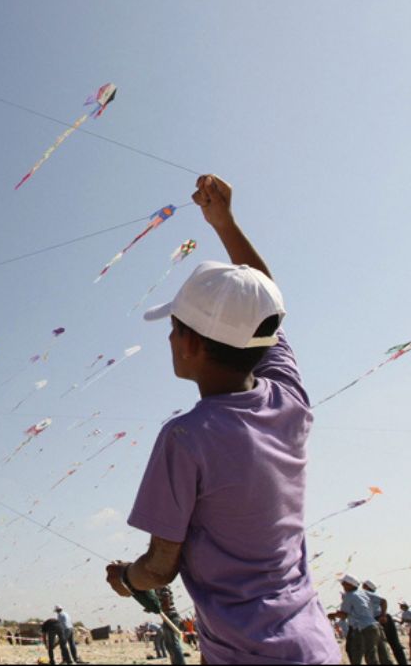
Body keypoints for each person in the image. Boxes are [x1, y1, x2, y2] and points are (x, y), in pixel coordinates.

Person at [104, 174, 339, 664]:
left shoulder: (187, 437)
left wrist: (126, 579)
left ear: (189, 343)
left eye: (173, 329)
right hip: (314, 646)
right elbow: (262, 308)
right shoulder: (287, 397)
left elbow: (160, 566)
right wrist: (224, 223)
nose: (168, 340)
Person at [330, 575, 380, 665]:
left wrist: (332, 615)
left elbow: (343, 615)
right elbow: (383, 601)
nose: (342, 585)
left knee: (358, 652)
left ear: (350, 584)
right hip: (373, 626)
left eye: (344, 583)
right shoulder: (363, 593)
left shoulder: (349, 596)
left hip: (363, 628)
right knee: (370, 654)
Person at [363, 580, 403, 665]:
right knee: (394, 644)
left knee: (381, 647)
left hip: (379, 618)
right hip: (382, 617)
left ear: (367, 587)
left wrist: (383, 615)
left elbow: (383, 601)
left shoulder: (366, 594)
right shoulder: (374, 594)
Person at [157, 586, 185, 665]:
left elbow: (166, 603)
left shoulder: (162, 585)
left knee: (173, 644)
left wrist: (155, 606)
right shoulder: (158, 587)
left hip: (171, 617)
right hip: (167, 617)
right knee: (169, 645)